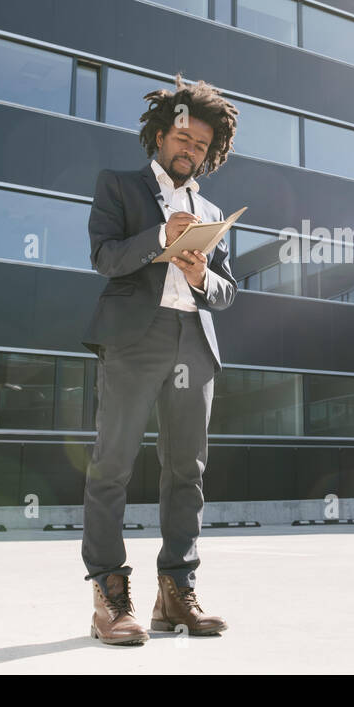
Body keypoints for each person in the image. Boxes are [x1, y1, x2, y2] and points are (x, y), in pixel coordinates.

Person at [79, 72, 239, 645]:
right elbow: (104, 257)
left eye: (200, 144)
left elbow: (228, 290)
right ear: (160, 135)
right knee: (112, 466)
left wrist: (202, 277)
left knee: (186, 473)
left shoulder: (213, 207)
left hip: (193, 340)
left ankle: (176, 592)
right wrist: (159, 239)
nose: (189, 149)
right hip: (133, 340)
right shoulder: (118, 187)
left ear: (209, 152)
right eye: (182, 138)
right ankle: (108, 595)